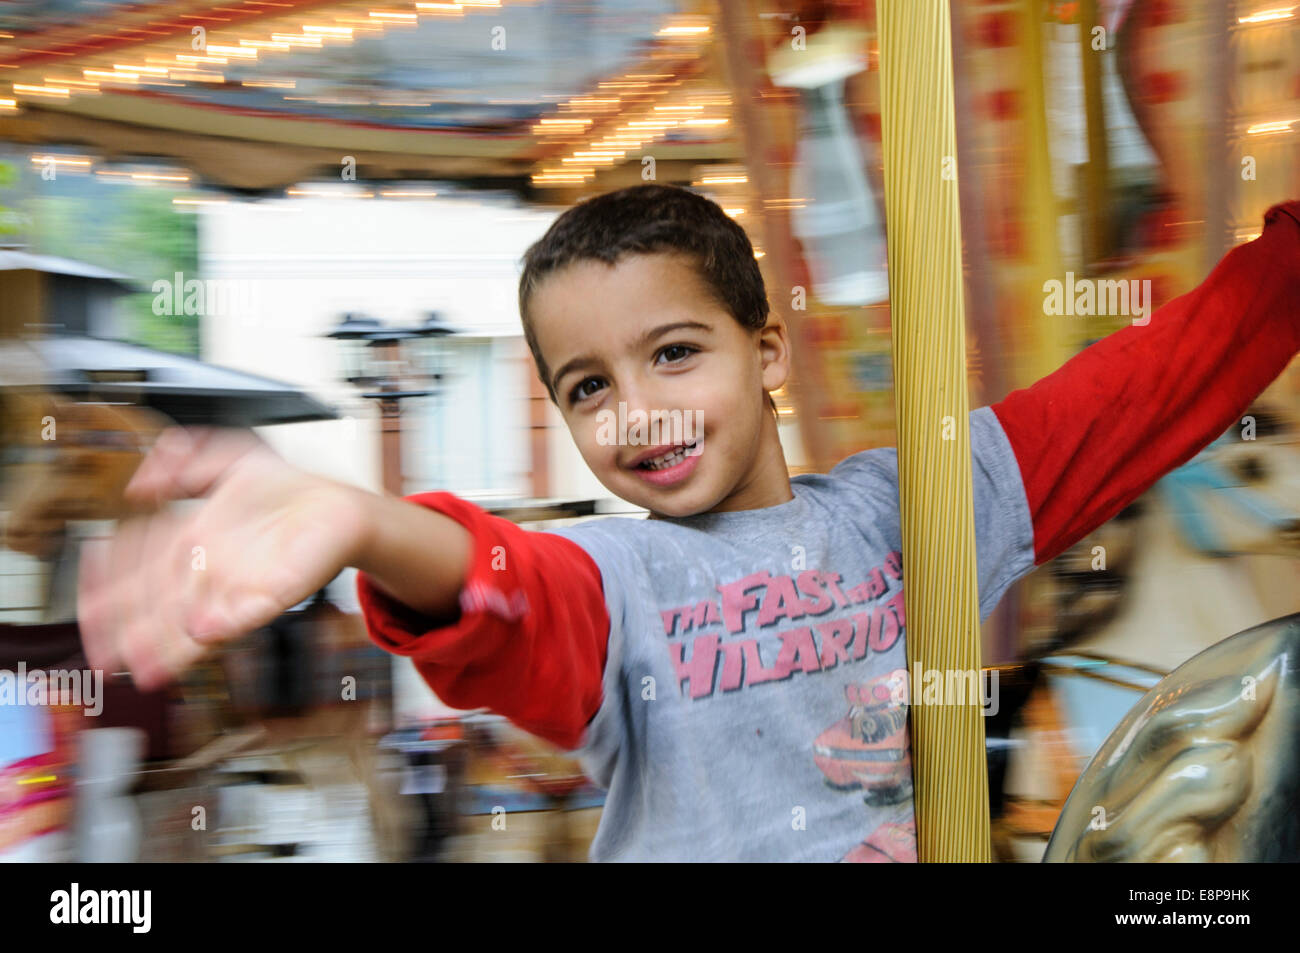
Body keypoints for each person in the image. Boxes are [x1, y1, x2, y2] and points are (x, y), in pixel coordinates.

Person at [77, 185, 1300, 861]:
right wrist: (365, 520)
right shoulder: (625, 574)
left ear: (766, 350)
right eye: (588, 387)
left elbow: (1148, 388)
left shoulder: (904, 508)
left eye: (673, 354)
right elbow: (516, 591)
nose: (638, 413)